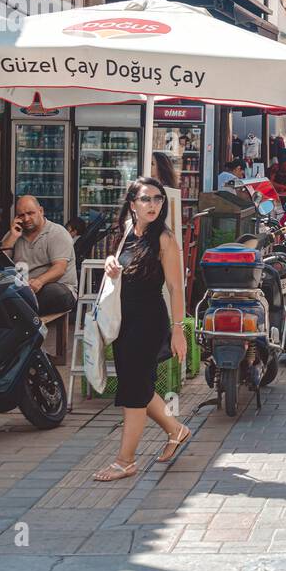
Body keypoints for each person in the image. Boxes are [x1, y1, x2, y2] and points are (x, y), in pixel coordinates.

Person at [92, 177, 191, 482]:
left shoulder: (164, 238)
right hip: (124, 320)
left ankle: (126, 461)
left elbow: (176, 287)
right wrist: (110, 261)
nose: (153, 205)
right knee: (135, 384)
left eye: (158, 199)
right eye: (146, 199)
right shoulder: (127, 230)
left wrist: (178, 330)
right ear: (132, 203)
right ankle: (176, 429)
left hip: (148, 322)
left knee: (133, 391)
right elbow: (119, 260)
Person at [0, 195, 77, 316]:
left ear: (41, 211)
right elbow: (0, 263)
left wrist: (39, 281)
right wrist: (13, 237)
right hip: (22, 290)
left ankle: (18, 312)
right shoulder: (13, 234)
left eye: (30, 213)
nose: (26, 219)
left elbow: (60, 268)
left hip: (54, 288)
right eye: (21, 215)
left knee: (53, 292)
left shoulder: (57, 233)